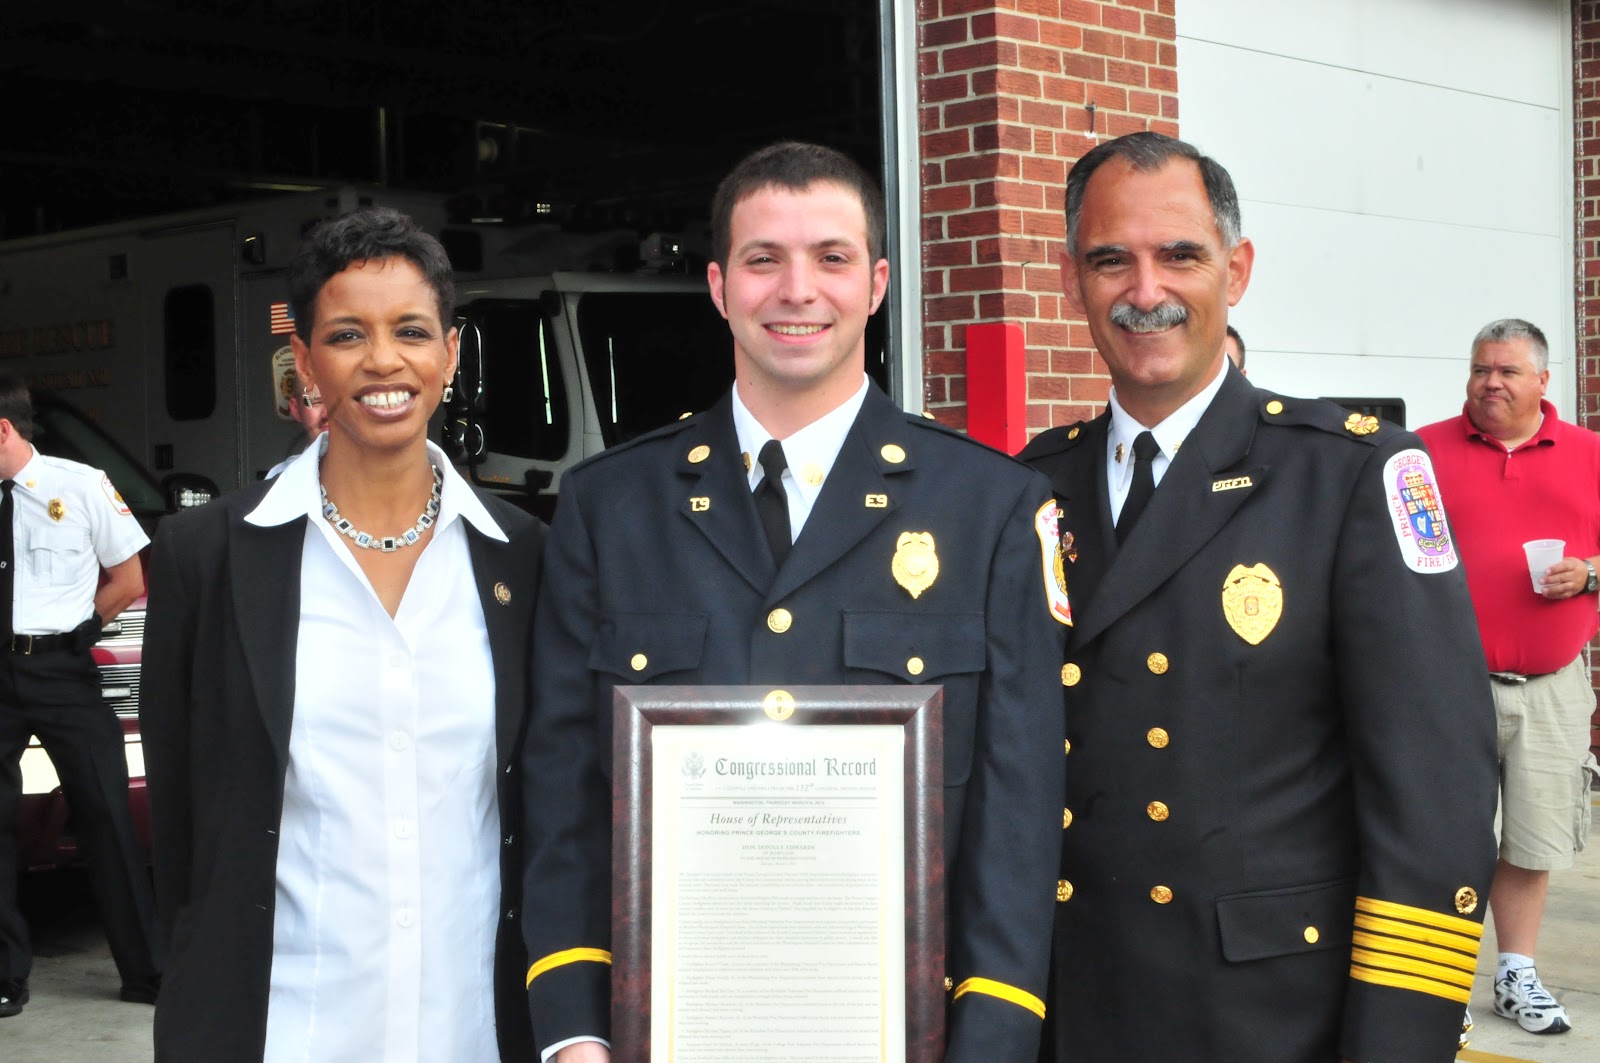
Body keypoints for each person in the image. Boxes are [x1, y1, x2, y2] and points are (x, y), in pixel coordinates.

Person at [521, 141, 1067, 1062]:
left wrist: (990, 1042)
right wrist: (574, 1031)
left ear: (879, 282)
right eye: (763, 258)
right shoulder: (608, 507)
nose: (796, 289)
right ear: (719, 285)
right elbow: (562, 795)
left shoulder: (991, 508)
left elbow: (1017, 824)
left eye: (832, 257)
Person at [1018, 131, 1499, 1063]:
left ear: (1236, 271)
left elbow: (1434, 806)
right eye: (1112, 258)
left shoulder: (1352, 476)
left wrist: (1396, 1043)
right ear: (1072, 275)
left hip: (1269, 1017)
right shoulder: (1029, 487)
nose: (1146, 291)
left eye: (1181, 256)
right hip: (1070, 1004)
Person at [140, 206, 541, 1060]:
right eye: (349, 334)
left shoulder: (528, 561)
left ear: (451, 352)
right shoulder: (204, 557)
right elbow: (181, 831)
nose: (384, 361)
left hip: (472, 1029)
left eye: (412, 331)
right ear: (309, 362)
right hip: (282, 1030)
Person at [1416, 318, 1599, 1037]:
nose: (1491, 381)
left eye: (1508, 371)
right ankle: (1439, 986)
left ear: (1543, 381)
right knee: (1444, 836)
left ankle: (1516, 975)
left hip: (1551, 686)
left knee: (1531, 837)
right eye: (1480, 368)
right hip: (1445, 685)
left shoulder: (1589, 454)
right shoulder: (1421, 450)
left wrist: (1590, 574)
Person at [0, 372, 161, 1019]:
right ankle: (7, 976)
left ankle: (148, 971)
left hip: (65, 673)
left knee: (107, 817)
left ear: (4, 428)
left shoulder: (81, 485)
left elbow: (129, 575)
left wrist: (82, 631)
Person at [265, 374, 330, 479]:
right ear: (296, 409)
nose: (326, 414)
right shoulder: (280, 481)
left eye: (336, 402)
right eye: (315, 402)